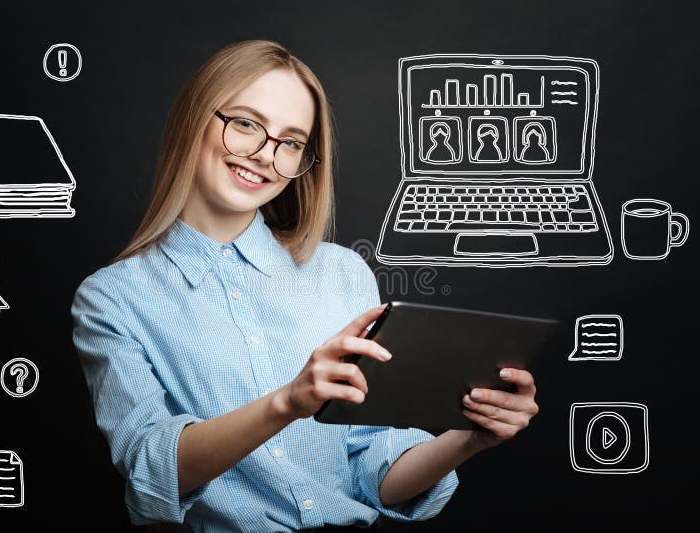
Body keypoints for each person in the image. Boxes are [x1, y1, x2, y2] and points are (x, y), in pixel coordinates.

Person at [71, 40, 539, 532]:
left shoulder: (342, 273)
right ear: (194, 118)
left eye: (291, 142)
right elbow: (151, 469)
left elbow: (370, 469)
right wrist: (288, 402)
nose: (265, 156)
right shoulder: (111, 299)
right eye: (247, 124)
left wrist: (469, 439)